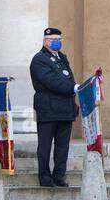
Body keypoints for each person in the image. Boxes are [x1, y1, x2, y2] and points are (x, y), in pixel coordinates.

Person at [29, 27, 78, 188]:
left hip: (65, 109)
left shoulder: (62, 58)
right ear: (45, 42)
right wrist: (73, 87)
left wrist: (74, 88)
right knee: (45, 146)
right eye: (53, 40)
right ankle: (44, 177)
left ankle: (59, 176)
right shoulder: (39, 59)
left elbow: (68, 78)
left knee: (62, 146)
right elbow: (52, 82)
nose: (56, 42)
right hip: (48, 108)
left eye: (59, 39)